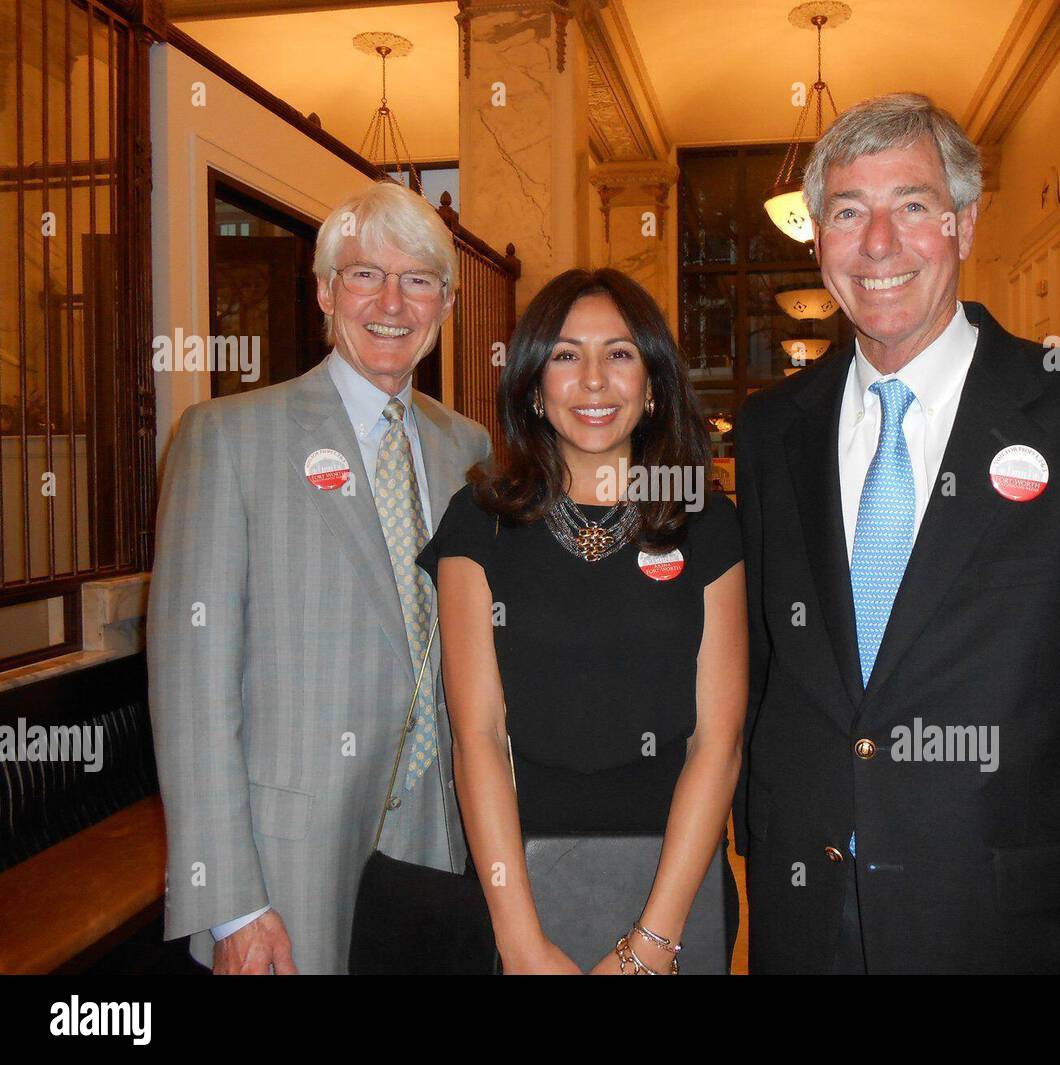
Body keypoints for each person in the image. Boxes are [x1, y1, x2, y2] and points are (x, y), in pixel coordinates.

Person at [732, 93, 1060, 974]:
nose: (879, 243)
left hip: (1013, 931)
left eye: (914, 206)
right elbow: (770, 664)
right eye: (849, 212)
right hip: (806, 924)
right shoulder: (775, 430)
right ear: (817, 240)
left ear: (966, 223)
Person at [148, 180, 490, 974]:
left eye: (420, 281)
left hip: (442, 847)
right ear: (325, 292)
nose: (393, 302)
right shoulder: (227, 439)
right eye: (367, 273)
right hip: (287, 866)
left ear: (444, 305)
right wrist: (230, 898)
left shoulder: (468, 450)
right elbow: (190, 689)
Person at [421, 268, 746, 975]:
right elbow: (476, 737)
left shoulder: (707, 522)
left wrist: (651, 945)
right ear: (535, 387)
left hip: (677, 894)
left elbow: (716, 744)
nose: (594, 380)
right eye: (567, 355)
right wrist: (522, 942)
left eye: (620, 354)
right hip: (521, 887)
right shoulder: (478, 523)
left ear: (654, 384)